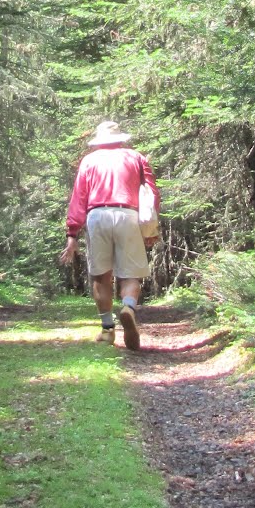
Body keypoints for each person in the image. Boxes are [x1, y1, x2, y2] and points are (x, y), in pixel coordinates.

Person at [59, 120, 159, 349]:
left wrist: (72, 232)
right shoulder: (136, 157)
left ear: (98, 141)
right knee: (131, 273)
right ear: (120, 139)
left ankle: (107, 330)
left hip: (97, 216)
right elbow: (151, 192)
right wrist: (151, 227)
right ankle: (128, 307)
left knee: (100, 275)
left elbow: (79, 197)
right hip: (128, 215)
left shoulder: (89, 161)